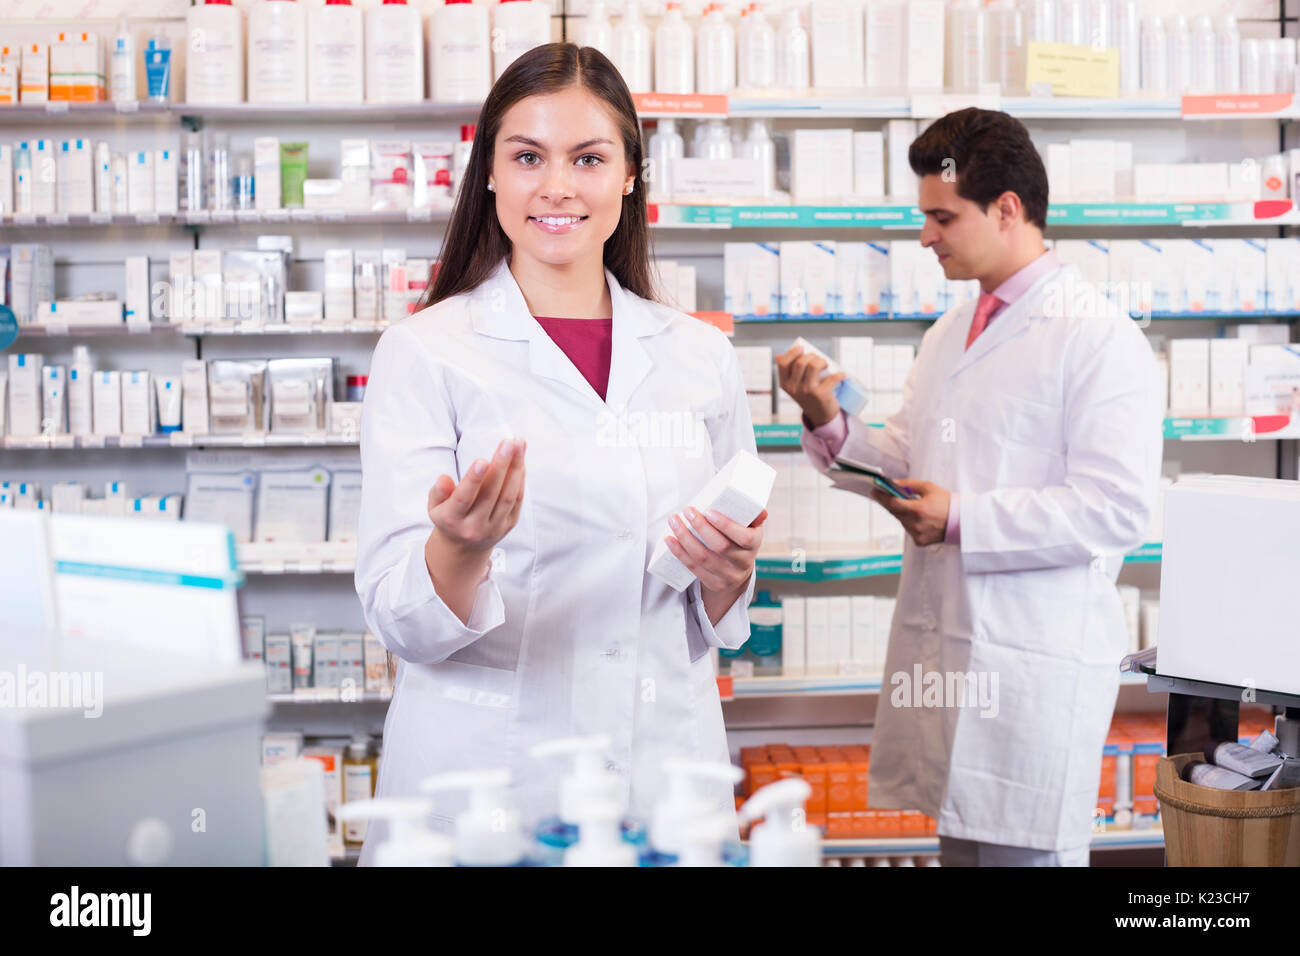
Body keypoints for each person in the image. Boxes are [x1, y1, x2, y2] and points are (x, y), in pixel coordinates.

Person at [354, 43, 763, 864]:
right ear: (492, 175)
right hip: (490, 780)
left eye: (589, 158)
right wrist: (460, 548)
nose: (558, 186)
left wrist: (728, 580)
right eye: (528, 156)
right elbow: (397, 616)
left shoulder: (698, 356)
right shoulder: (426, 351)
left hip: (660, 771)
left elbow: (721, 608)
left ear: (630, 176)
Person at [777, 108, 1163, 866]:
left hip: (1034, 664)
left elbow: (1116, 509)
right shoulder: (950, 331)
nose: (927, 236)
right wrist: (826, 418)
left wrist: (963, 520)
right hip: (952, 656)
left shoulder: (1097, 336)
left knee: (1028, 856)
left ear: (1008, 209)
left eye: (942, 217)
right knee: (963, 849)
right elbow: (909, 461)